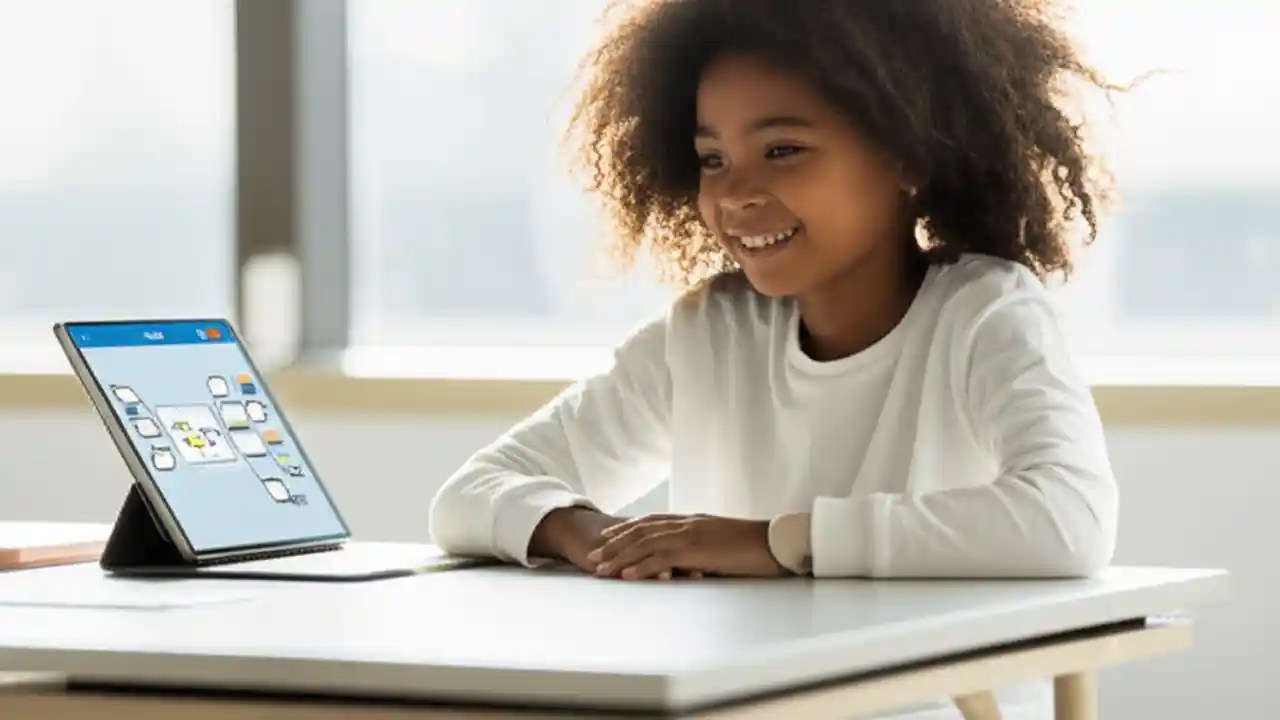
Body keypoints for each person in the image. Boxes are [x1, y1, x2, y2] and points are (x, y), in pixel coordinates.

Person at [431, 1, 1122, 714]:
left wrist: (777, 542)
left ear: (908, 153)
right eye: (712, 160)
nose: (734, 194)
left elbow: (1068, 520)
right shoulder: (711, 330)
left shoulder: (984, 314)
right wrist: (601, 539)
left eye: (783, 150)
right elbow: (471, 494)